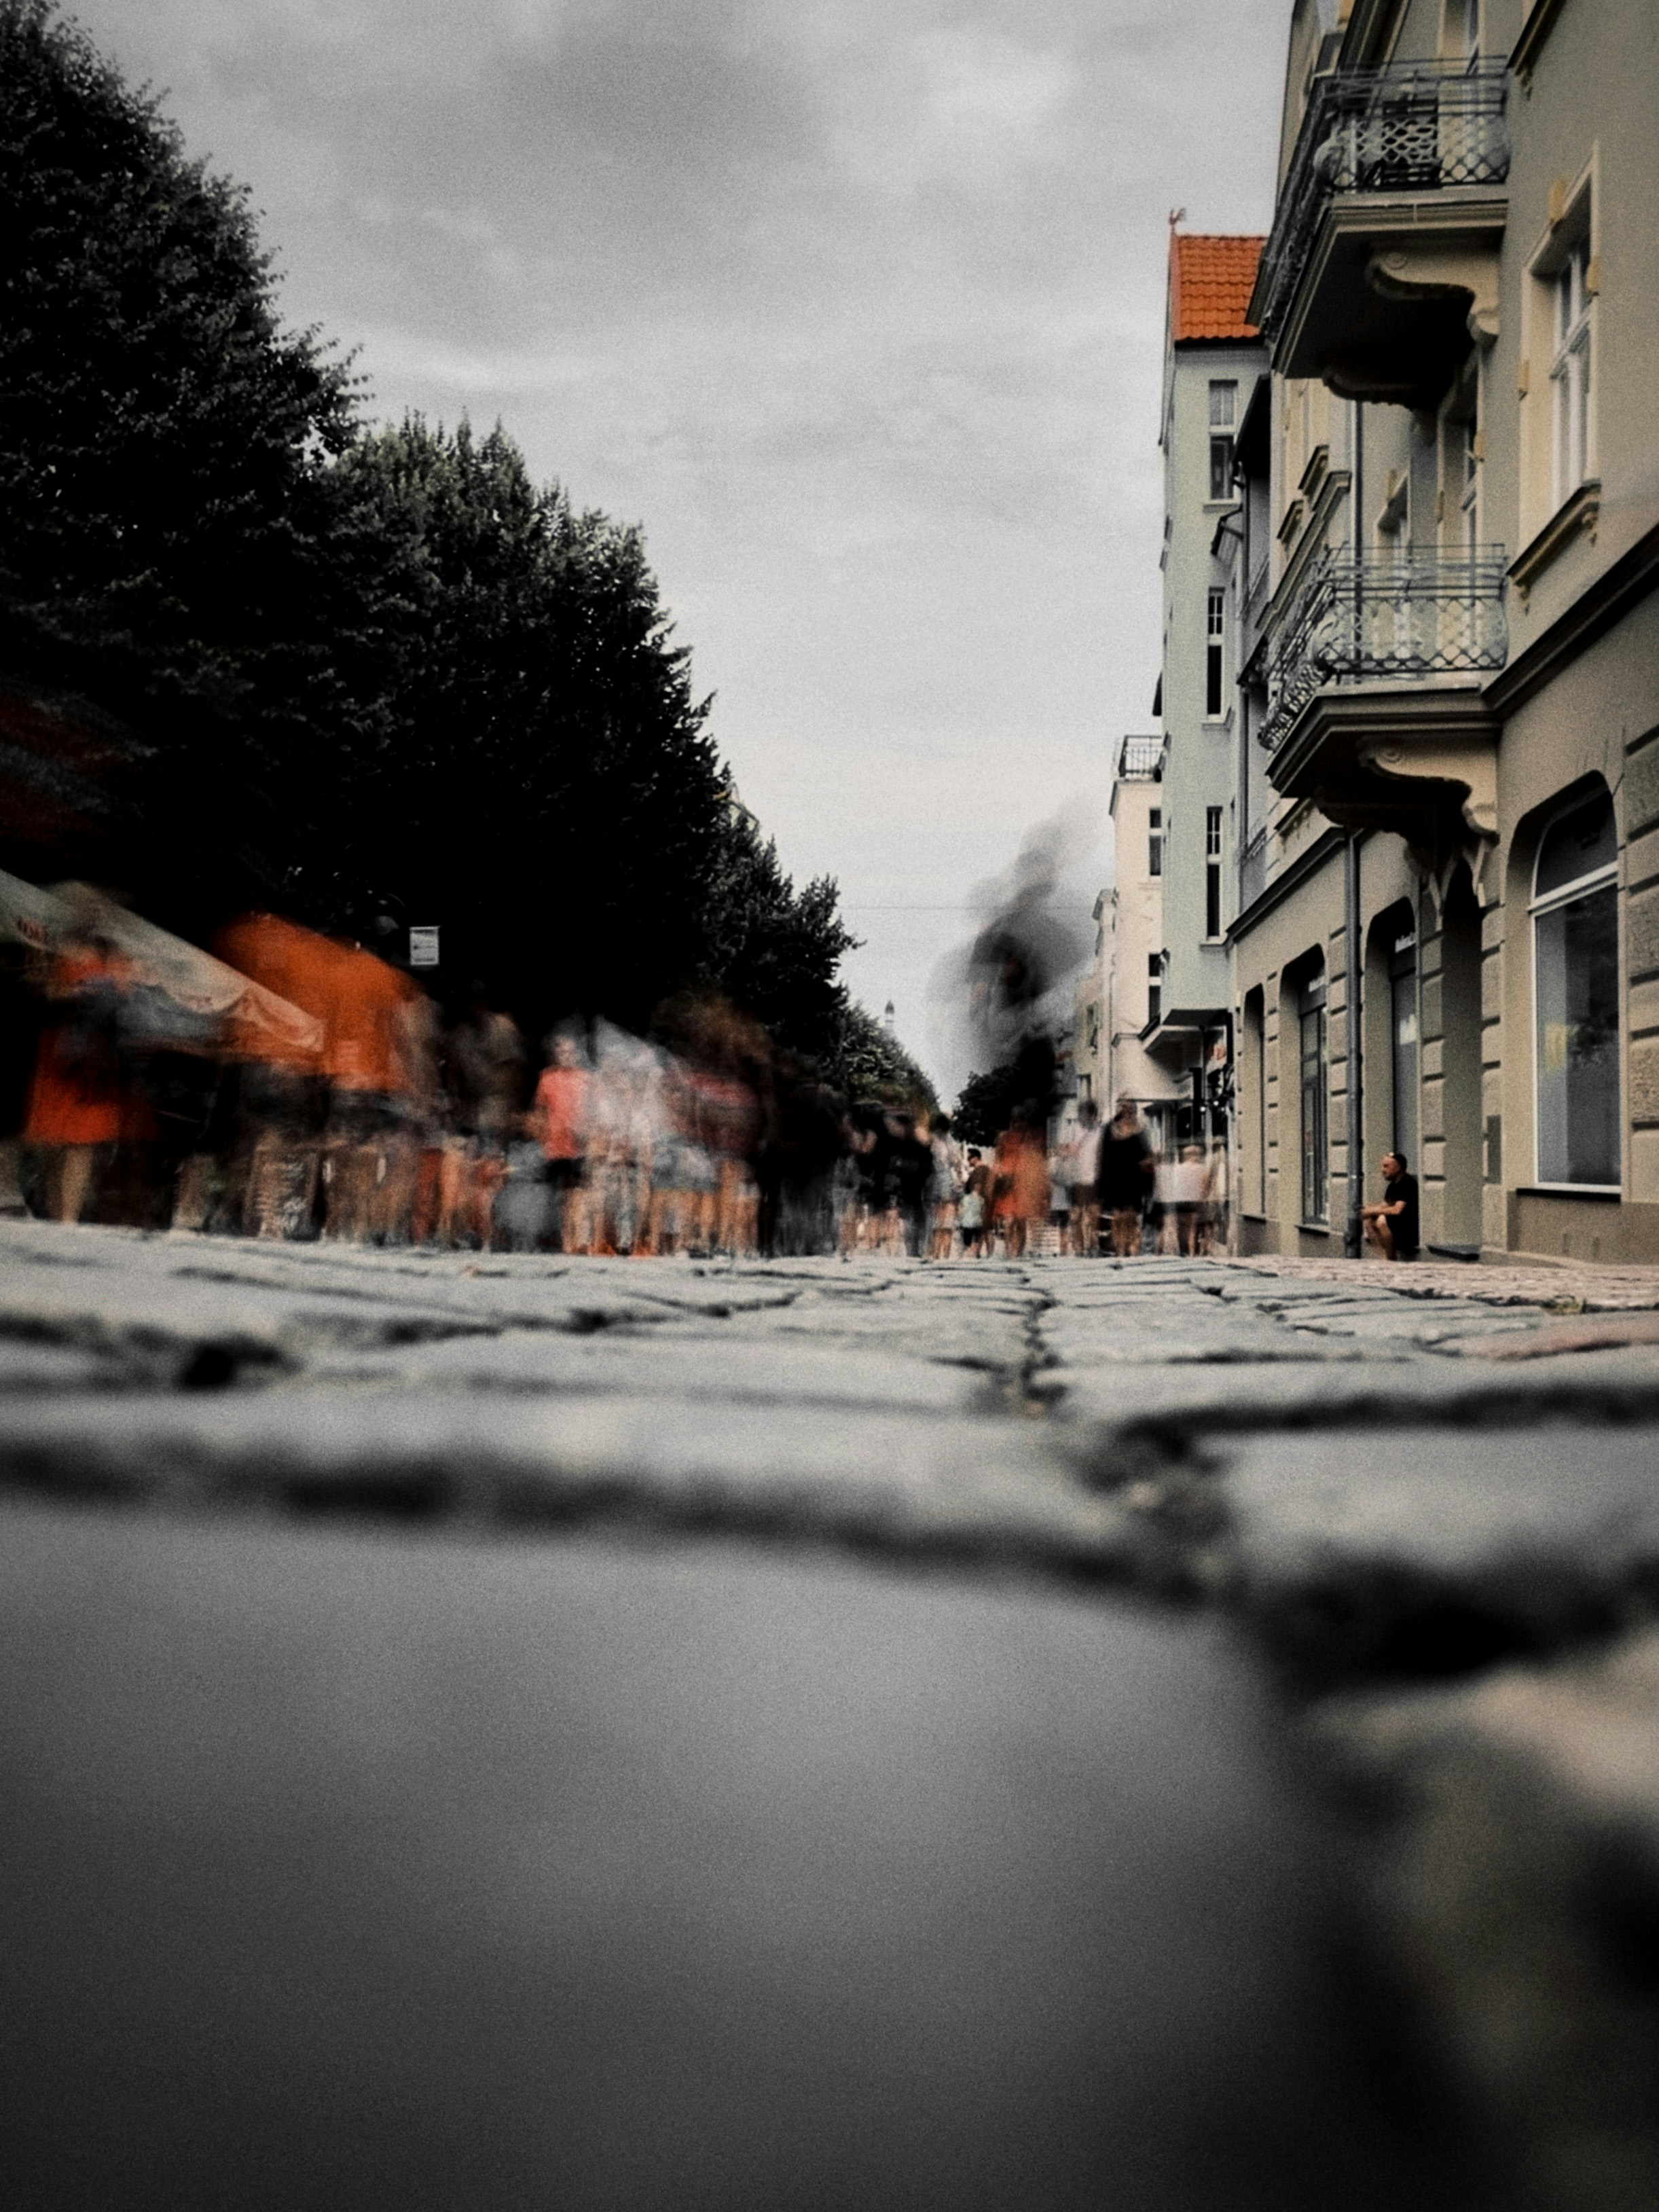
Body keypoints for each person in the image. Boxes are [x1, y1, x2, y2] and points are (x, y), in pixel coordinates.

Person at [1098, 1096, 1153, 1258]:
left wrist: (1149, 1162)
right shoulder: (1109, 1129)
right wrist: (1102, 1182)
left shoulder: (1140, 1130)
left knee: (1131, 1217)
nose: (1128, 1112)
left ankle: (1129, 1246)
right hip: (1114, 1178)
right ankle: (1119, 1248)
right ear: (1120, 1110)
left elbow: (1146, 1154)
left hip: (1134, 1179)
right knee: (1117, 1217)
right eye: (1125, 1108)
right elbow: (1103, 1157)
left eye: (1131, 1109)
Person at [1360, 1149, 1420, 1261]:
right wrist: (1367, 1210)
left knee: (1382, 1220)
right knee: (1370, 1222)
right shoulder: (1392, 1186)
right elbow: (1384, 1205)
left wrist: (1372, 1211)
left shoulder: (1407, 1183)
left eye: (1386, 1166)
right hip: (1399, 1226)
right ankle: (1382, 1256)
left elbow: (1397, 1210)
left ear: (1397, 1168)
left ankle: (1390, 1260)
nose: (1382, 1170)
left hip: (1410, 1230)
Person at [1063, 1099, 1102, 1256]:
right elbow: (1064, 1151)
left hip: (1094, 1178)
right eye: (1085, 1115)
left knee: (1093, 1213)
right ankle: (1079, 1248)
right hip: (1076, 1178)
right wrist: (1073, 1148)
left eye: (1091, 1115)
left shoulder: (1100, 1131)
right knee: (1077, 1215)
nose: (1088, 1118)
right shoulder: (1073, 1129)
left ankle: (1093, 1245)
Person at [959, 1148, 991, 1258]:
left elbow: (977, 1187)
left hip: (977, 1203)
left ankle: (980, 1253)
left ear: (975, 1158)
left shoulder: (980, 1171)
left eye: (969, 1158)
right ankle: (983, 1254)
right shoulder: (983, 1170)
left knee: (979, 1230)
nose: (968, 1161)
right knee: (983, 1230)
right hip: (982, 1203)